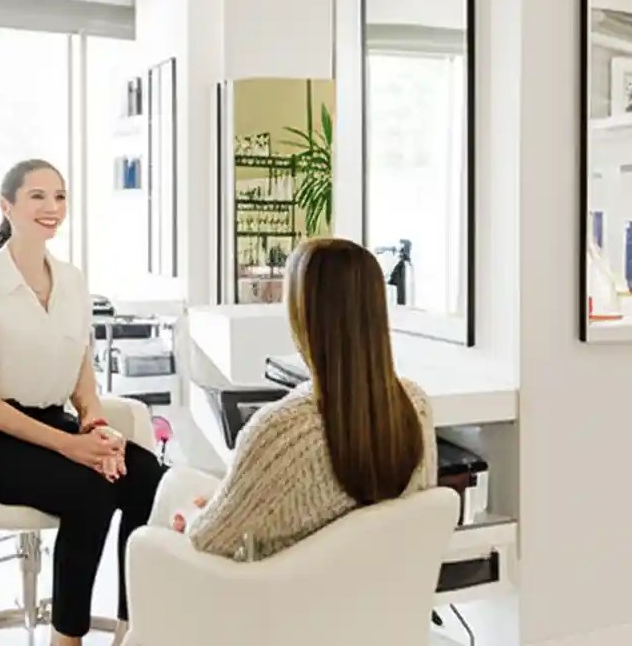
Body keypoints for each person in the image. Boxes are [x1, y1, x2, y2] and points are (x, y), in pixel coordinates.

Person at [0, 159, 166, 646]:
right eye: (37, 196)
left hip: (55, 423)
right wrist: (71, 447)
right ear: (6, 207)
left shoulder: (72, 281)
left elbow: (80, 370)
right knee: (90, 492)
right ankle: (66, 639)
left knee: (147, 474)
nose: (52, 207)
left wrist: (95, 425)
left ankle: (133, 628)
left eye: (60, 196)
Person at [160, 237, 436, 561]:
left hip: (270, 592)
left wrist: (194, 516)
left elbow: (207, 541)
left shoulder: (279, 433)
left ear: (301, 314)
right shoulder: (415, 407)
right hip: (374, 589)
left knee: (169, 498)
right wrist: (227, 506)